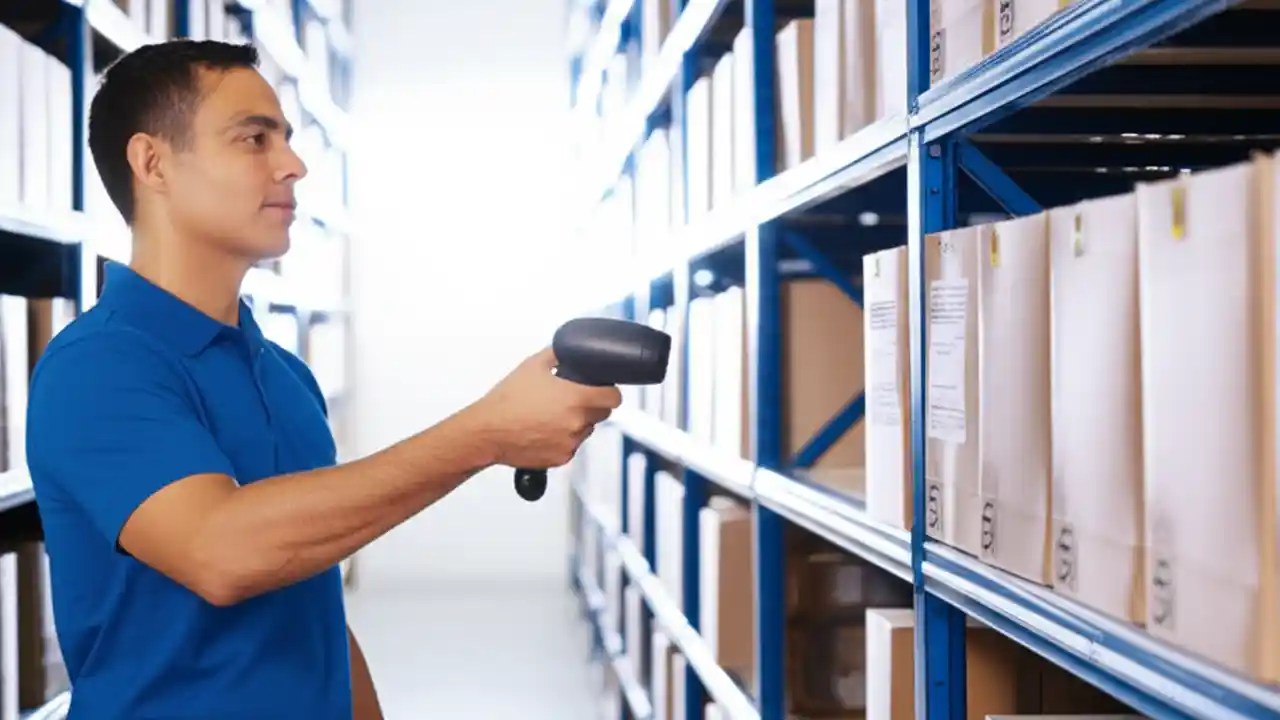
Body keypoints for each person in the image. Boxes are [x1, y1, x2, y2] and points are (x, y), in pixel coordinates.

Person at [24, 39, 621, 720]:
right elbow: (223, 552)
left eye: (286, 139)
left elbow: (311, 606)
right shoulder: (96, 367)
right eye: (254, 139)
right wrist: (486, 433)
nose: (293, 165)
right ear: (152, 162)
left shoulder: (284, 375)